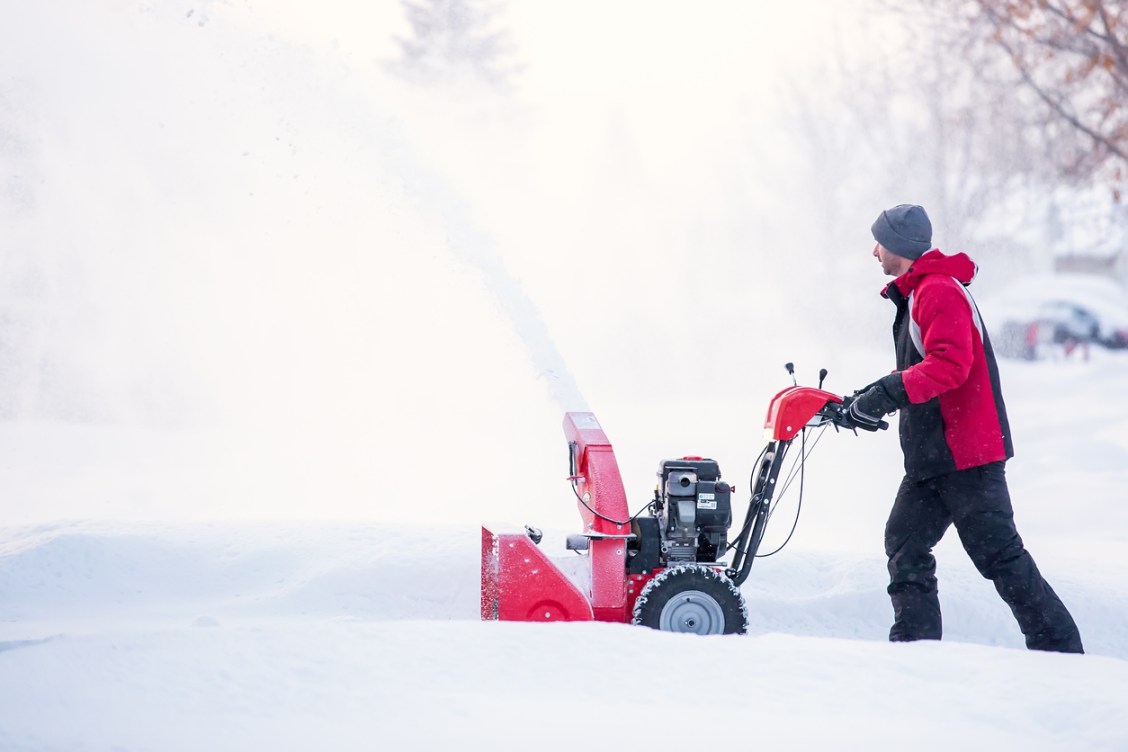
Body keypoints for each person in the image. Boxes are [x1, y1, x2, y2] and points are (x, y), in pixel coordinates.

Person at [843, 203, 1084, 653]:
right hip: (935, 456)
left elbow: (950, 366)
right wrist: (868, 397)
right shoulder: (921, 291)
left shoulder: (937, 290)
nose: (874, 251)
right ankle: (915, 650)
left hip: (966, 455)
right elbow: (921, 368)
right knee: (905, 544)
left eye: (879, 242)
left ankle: (1060, 651)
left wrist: (887, 393)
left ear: (899, 245)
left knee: (999, 556)